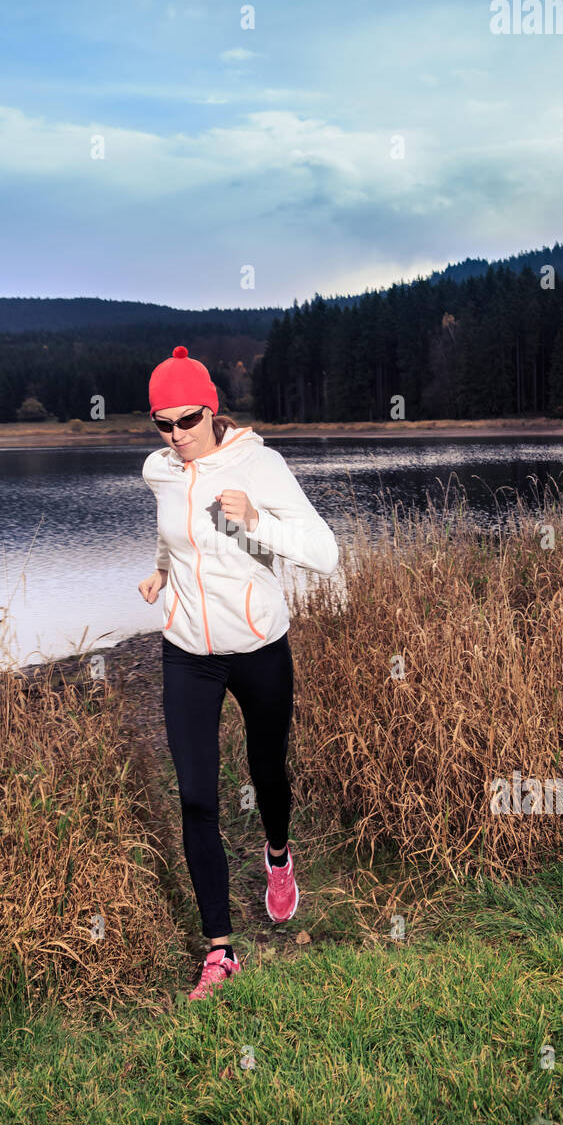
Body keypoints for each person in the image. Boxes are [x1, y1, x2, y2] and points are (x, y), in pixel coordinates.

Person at [138, 345, 339, 1001]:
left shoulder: (263, 466)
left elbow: (326, 554)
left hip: (259, 647)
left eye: (186, 421)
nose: (175, 436)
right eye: (163, 424)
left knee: (268, 771)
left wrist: (257, 521)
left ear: (212, 409)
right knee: (196, 794)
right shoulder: (160, 470)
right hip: (186, 652)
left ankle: (277, 855)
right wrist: (162, 573)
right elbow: (173, 531)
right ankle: (219, 950)